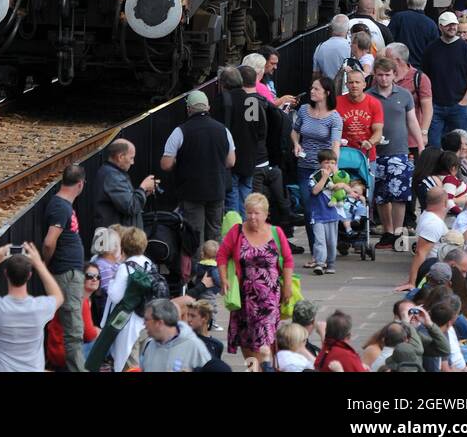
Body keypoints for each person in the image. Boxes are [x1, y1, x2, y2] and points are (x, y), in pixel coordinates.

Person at [217, 192, 294, 363]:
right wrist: (224, 280)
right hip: (245, 297)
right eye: (249, 212)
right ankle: (254, 367)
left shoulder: (276, 232)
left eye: (256, 213)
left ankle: (265, 367)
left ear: (266, 214)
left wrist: (287, 286)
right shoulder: (237, 232)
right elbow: (221, 255)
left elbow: (288, 260)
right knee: (247, 339)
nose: (252, 217)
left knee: (265, 337)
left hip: (269, 297)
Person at [0, 242, 62, 373]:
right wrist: (38, 264)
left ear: (6, 274)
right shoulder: (40, 308)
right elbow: (58, 296)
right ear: (29, 275)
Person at [160, 89, 234, 249]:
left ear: (188, 110)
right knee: (215, 233)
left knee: (194, 233)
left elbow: (166, 164)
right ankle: (213, 269)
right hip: (216, 189)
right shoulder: (223, 130)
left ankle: (195, 272)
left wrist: (180, 162)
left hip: (191, 192)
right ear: (208, 108)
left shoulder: (180, 131)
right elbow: (231, 162)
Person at [371, 56, 424, 246]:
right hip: (375, 152)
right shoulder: (369, 96)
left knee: (400, 195)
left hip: (399, 151)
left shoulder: (404, 95)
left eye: (387, 75)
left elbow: (412, 121)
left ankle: (399, 231)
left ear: (394, 75)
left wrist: (420, 143)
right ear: (374, 75)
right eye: (380, 75)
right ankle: (388, 231)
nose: (384, 79)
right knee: (381, 195)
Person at [42, 163, 87, 373]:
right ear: (81, 184)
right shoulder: (60, 207)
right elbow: (50, 242)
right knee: (74, 329)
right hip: (65, 274)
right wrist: (45, 264)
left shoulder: (63, 206)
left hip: (67, 272)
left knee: (69, 326)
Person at [292, 75, 343, 261]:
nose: (312, 91)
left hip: (322, 169)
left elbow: (335, 144)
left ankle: (322, 252)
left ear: (326, 93)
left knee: (320, 209)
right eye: (312, 88)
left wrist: (332, 167)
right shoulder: (304, 110)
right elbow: (295, 130)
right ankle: (316, 251)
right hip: (304, 166)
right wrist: (296, 144)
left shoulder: (334, 118)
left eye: (316, 89)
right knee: (307, 208)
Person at [213, 65, 268, 214]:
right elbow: (261, 132)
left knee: (232, 199)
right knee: (245, 196)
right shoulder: (251, 102)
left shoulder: (222, 101)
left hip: (231, 160)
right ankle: (245, 229)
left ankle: (236, 232)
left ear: (222, 84)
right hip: (250, 159)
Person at [99, 225, 155, 372]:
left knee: (130, 364)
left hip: (130, 323)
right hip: (148, 319)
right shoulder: (149, 263)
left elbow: (116, 296)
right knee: (143, 362)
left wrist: (111, 282)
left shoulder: (126, 267)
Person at [421, 11, 467, 144]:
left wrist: (464, 101)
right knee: (434, 146)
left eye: (454, 24)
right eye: (448, 25)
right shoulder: (431, 48)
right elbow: (424, 77)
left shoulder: (466, 48)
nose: (452, 27)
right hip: (435, 106)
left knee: (458, 147)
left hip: (458, 106)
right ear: (440, 27)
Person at [45, 261, 100, 369]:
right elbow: (89, 335)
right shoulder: (80, 300)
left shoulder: (82, 299)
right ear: (81, 278)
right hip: (64, 353)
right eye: (89, 276)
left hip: (56, 351)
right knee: (105, 343)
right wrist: (98, 331)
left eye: (98, 277)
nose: (94, 279)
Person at [91, 139, 156, 230]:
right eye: (131, 158)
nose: (132, 162)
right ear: (120, 157)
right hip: (119, 238)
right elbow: (131, 207)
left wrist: (144, 193)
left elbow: (126, 201)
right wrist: (143, 187)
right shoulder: (112, 177)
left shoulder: (111, 173)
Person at [140, 297, 211, 372]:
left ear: (159, 323)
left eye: (146, 320)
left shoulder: (194, 346)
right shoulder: (149, 344)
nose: (144, 324)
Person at [386, 42, 434, 152]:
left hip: (412, 140)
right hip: (387, 141)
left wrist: (424, 132)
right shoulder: (383, 78)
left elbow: (427, 108)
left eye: (387, 58)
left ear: (397, 60)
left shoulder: (419, 78)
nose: (384, 61)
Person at [401, 186, 449, 291]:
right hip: (436, 271)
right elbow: (420, 253)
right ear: (445, 202)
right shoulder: (433, 223)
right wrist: (412, 282)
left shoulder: (429, 216)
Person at [336, 66, 383, 163]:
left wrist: (370, 142)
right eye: (351, 82)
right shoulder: (337, 102)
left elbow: (378, 132)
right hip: (343, 155)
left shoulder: (374, 103)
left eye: (357, 82)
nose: (354, 85)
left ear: (364, 85)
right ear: (346, 85)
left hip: (366, 157)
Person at [309, 148, 342, 275]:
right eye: (327, 162)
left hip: (332, 215)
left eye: (333, 163)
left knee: (332, 242)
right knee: (320, 241)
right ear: (320, 163)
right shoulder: (315, 176)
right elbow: (315, 191)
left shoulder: (338, 176)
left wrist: (338, 179)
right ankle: (319, 263)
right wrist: (324, 178)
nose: (330, 165)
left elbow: (345, 188)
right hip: (317, 215)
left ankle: (331, 262)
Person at [388, 0, 439, 69]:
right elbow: (434, 51)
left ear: (408, 3)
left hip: (398, 65)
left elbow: (388, 40)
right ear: (424, 5)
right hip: (420, 69)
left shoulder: (399, 17)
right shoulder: (431, 24)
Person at [89, 226, 122, 310]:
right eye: (118, 245)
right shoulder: (104, 267)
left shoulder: (99, 260)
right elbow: (109, 293)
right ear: (112, 249)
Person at [312, 14, 351, 82]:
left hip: (327, 88)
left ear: (332, 28)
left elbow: (316, 74)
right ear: (348, 29)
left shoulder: (320, 47)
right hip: (346, 88)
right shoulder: (351, 46)